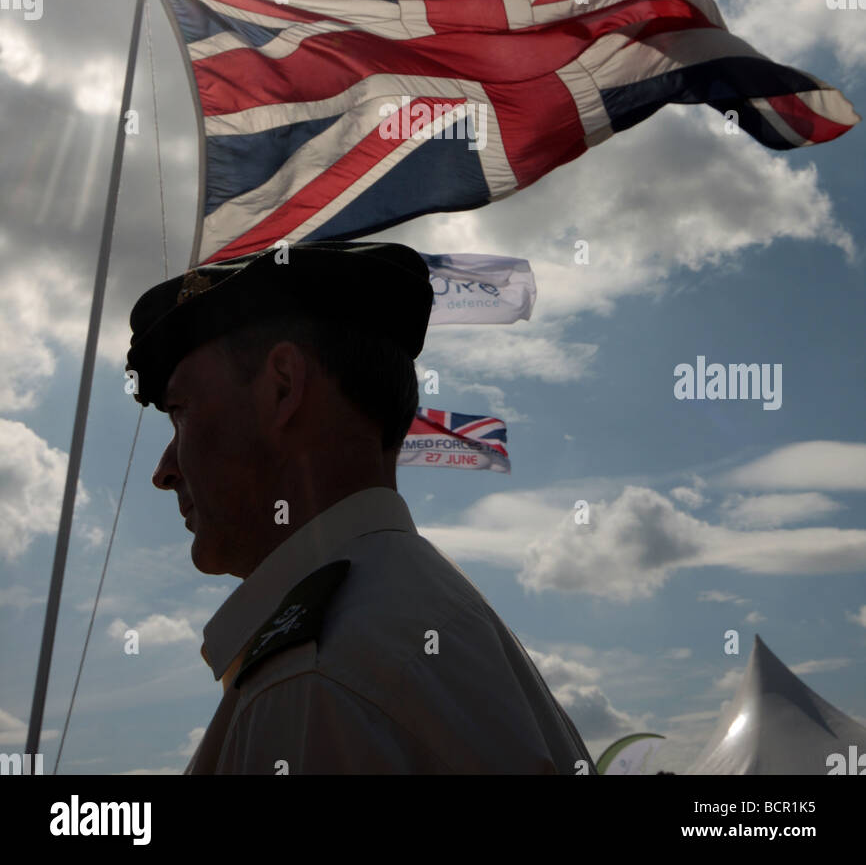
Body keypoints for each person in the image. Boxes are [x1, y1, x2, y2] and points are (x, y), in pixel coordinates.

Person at [126, 239, 597, 775]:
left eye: (181, 413)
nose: (165, 470)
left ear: (283, 389)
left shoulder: (313, 682)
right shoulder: (420, 614)